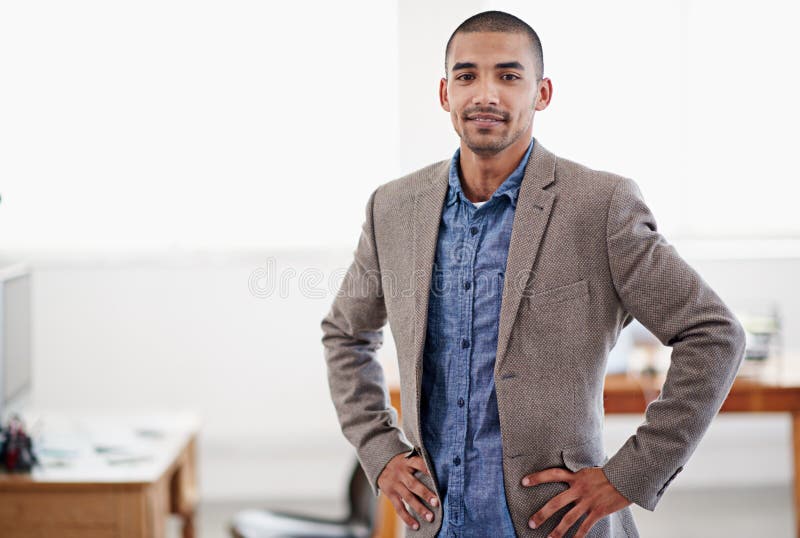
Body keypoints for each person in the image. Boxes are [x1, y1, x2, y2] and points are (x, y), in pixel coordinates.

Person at [321, 10, 745, 538]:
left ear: (542, 93)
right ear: (444, 92)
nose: (486, 95)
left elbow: (714, 333)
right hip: (433, 523)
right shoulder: (393, 208)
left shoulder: (600, 205)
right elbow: (345, 333)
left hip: (556, 523)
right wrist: (379, 449)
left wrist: (630, 474)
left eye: (509, 75)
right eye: (467, 75)